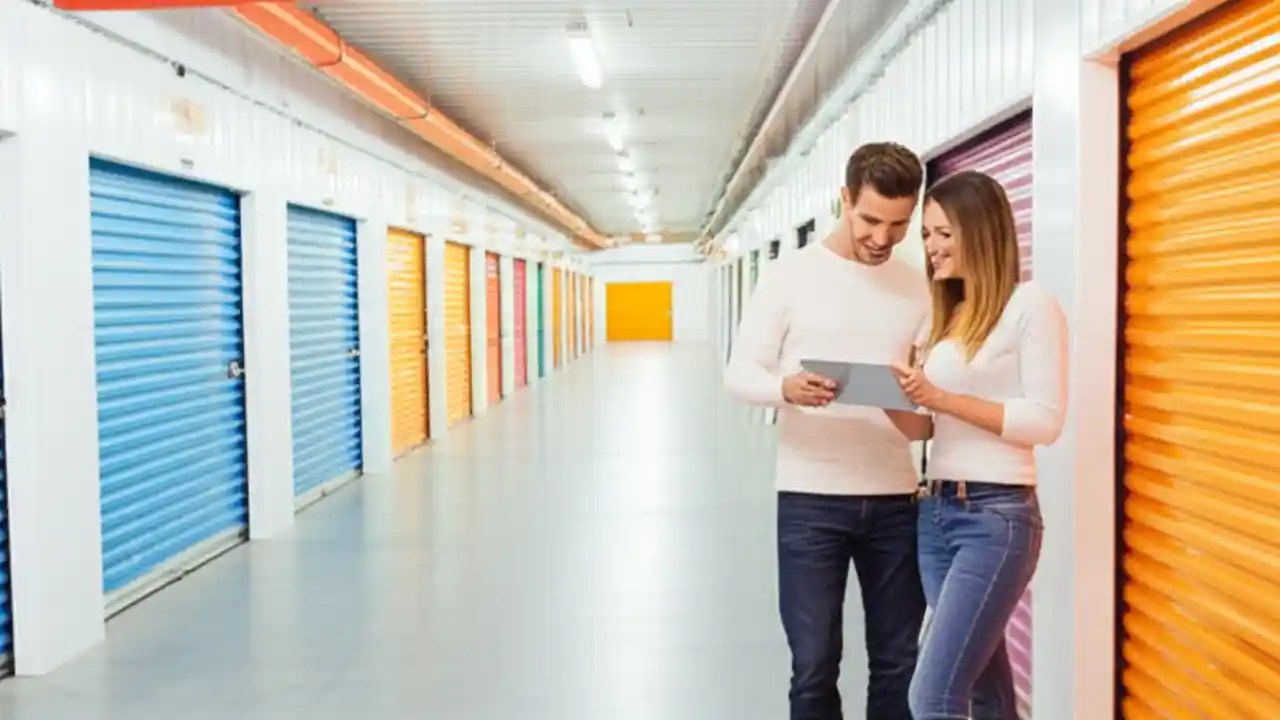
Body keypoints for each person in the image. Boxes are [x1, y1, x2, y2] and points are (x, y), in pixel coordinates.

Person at [724, 142, 931, 720]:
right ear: (844, 199)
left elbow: (924, 421)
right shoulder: (788, 277)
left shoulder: (918, 288)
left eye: (898, 224)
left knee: (898, 663)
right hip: (809, 499)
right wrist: (784, 389)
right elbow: (740, 372)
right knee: (814, 665)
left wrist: (902, 394)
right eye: (869, 219)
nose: (882, 238)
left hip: (894, 501)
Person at [887, 170, 1068, 719]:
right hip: (936, 515)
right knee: (986, 692)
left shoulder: (1029, 305)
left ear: (981, 231)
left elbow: (1045, 421)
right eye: (926, 235)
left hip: (997, 517)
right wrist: (886, 397)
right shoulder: (944, 316)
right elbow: (926, 427)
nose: (931, 247)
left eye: (944, 233)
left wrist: (940, 397)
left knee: (932, 695)